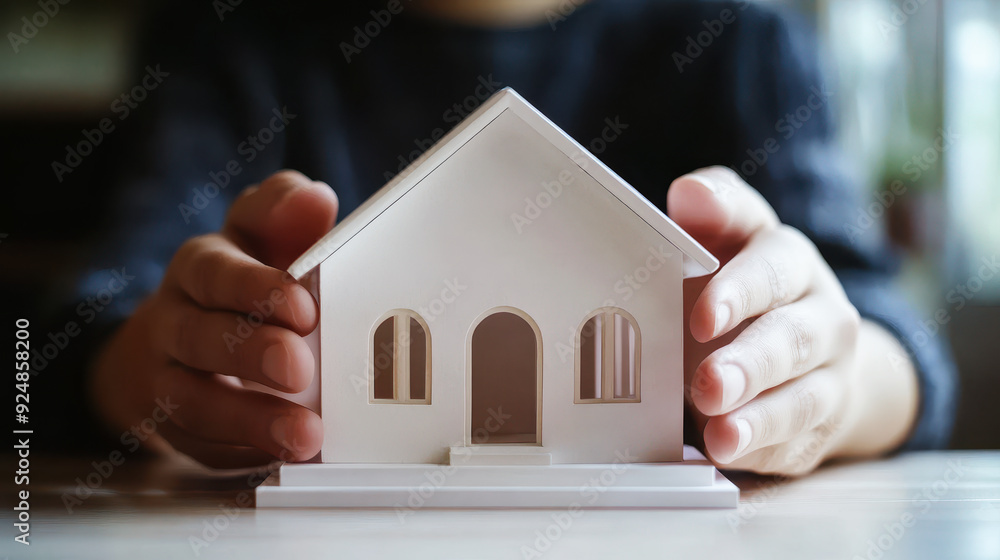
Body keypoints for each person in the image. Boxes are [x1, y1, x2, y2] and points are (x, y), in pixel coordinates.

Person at [45, 0, 956, 474]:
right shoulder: (231, 47)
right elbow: (55, 346)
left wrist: (838, 383)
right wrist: (141, 373)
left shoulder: (743, 48)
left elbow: (883, 329)